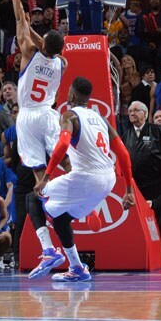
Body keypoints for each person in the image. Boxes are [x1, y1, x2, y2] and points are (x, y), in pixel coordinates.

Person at [27, 77, 137, 282]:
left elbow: (61, 146)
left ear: (71, 95)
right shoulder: (101, 119)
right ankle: (77, 267)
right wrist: (128, 191)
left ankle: (49, 251)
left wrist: (46, 177)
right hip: (108, 180)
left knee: (33, 198)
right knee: (61, 219)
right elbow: (123, 153)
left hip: (87, 177)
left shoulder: (69, 116)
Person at [7, 0, 65, 188]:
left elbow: (19, 18)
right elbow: (50, 48)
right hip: (48, 112)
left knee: (38, 167)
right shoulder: (62, 63)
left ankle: (45, 193)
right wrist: (33, 31)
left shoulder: (30, 54)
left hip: (28, 115)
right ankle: (76, 181)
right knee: (64, 158)